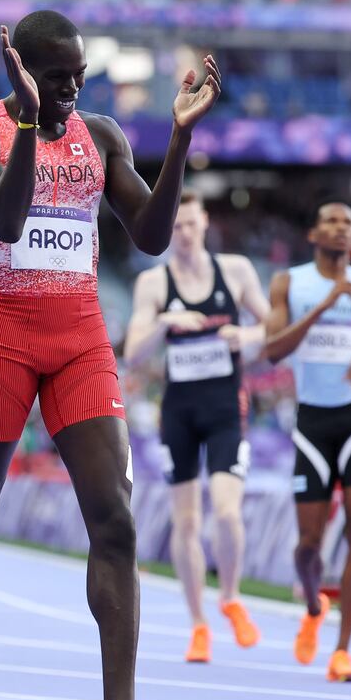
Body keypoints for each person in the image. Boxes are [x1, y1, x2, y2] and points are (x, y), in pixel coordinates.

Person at [0, 10, 220, 700]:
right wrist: (34, 127)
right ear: (22, 71)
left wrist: (179, 138)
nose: (72, 89)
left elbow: (147, 235)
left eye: (80, 76)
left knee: (115, 520)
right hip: (2, 337)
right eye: (57, 77)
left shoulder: (102, 136)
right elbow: (5, 226)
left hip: (79, 336)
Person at [124, 191, 270, 664]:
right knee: (186, 521)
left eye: (190, 225)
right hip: (180, 413)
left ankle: (230, 595)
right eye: (176, 227)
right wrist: (168, 319)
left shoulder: (236, 272)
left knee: (227, 512)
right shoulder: (153, 282)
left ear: (205, 222)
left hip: (227, 406)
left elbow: (277, 329)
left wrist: (245, 335)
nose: (183, 235)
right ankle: (198, 624)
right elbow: (132, 353)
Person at [264, 201, 351, 683]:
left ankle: (342, 651)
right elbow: (272, 350)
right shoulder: (290, 283)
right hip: (312, 424)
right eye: (333, 222)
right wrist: (322, 308)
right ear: (314, 234)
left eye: (350, 224)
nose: (343, 230)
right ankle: (314, 602)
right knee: (308, 545)